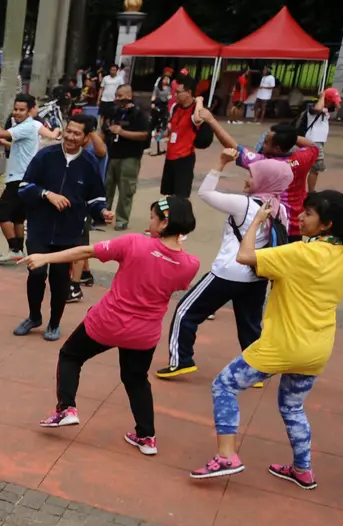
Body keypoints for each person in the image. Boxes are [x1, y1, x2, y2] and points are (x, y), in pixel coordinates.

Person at [191, 190, 343, 488]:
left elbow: (245, 256)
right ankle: (303, 470)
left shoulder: (302, 252)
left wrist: (257, 223)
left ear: (326, 225)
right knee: (293, 406)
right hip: (317, 348)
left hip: (282, 344)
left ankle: (226, 456)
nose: (301, 216)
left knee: (224, 385)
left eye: (309, 214)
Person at [28, 197, 200, 454]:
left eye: (153, 217)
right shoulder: (191, 264)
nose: (149, 222)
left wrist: (45, 258)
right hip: (145, 333)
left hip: (108, 322)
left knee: (70, 356)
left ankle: (66, 408)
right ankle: (146, 436)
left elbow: (86, 252)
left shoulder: (134, 243)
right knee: (136, 379)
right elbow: (173, 282)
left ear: (165, 223)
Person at [157, 152, 293, 381]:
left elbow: (205, 193)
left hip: (228, 272)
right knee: (250, 325)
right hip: (257, 274)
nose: (247, 180)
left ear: (265, 180)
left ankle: (181, 361)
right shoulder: (281, 210)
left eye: (252, 176)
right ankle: (256, 372)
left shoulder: (245, 204)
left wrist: (219, 163)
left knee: (185, 312)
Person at [14, 116, 114, 341]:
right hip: (40, 228)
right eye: (68, 131)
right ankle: (34, 316)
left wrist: (102, 212)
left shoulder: (89, 164)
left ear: (86, 138)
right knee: (36, 273)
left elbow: (95, 199)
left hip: (68, 233)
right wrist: (46, 194)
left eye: (77, 133)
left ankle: (54, 323)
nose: (70, 136)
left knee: (60, 279)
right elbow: (23, 187)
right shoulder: (45, 156)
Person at [204, 119, 319, 244]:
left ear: (277, 148)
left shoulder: (263, 163)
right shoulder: (303, 158)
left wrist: (211, 120)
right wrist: (289, 136)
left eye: (266, 142)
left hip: (270, 224)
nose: (262, 144)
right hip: (295, 227)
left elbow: (234, 148)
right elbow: (313, 146)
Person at [0, 96, 62, 263]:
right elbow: (30, 146)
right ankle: (19, 251)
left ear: (31, 110)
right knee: (18, 218)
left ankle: (14, 248)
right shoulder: (34, 125)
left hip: (18, 178)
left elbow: (1, 132)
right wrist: (7, 145)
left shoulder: (25, 127)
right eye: (16, 109)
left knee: (1, 215)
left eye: (21, 110)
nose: (17, 113)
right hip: (27, 178)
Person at [103, 85, 150, 231]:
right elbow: (104, 124)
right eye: (116, 95)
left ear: (129, 96)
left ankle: (122, 219)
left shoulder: (138, 113)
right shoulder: (114, 111)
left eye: (120, 95)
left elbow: (144, 135)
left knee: (126, 189)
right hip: (113, 154)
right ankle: (103, 214)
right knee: (106, 186)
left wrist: (122, 132)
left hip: (130, 156)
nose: (117, 98)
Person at [160, 86, 207, 198]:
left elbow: (198, 120)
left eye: (178, 92)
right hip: (171, 155)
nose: (175, 95)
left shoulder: (196, 109)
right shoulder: (176, 107)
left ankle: (178, 215)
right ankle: (165, 215)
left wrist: (199, 101)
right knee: (167, 194)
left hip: (184, 156)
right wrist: (166, 131)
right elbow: (172, 124)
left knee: (181, 195)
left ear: (189, 92)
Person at [304, 90, 336, 193]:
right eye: (333, 101)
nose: (335, 103)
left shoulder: (326, 108)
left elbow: (338, 107)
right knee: (315, 168)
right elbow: (317, 108)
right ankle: (311, 191)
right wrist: (322, 97)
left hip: (318, 141)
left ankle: (310, 190)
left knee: (313, 168)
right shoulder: (313, 107)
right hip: (314, 141)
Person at [149, 74, 173, 156]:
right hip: (157, 105)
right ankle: (152, 146)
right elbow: (154, 96)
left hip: (165, 106)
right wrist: (152, 103)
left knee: (164, 124)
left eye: (167, 79)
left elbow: (170, 98)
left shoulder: (169, 89)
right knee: (154, 124)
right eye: (164, 79)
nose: (166, 81)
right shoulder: (157, 88)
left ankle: (159, 141)